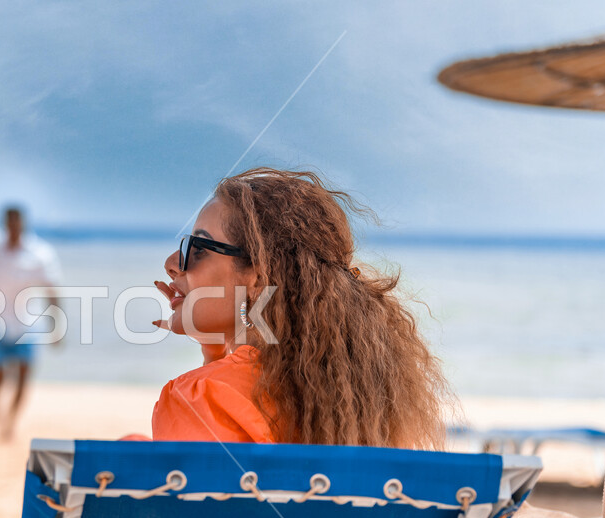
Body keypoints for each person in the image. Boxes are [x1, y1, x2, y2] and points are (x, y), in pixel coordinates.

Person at [151, 167, 449, 449]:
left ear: (258, 279)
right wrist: (217, 353)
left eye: (198, 248)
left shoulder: (199, 398)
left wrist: (213, 373)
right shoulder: (365, 401)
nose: (171, 264)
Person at [0, 206, 62, 440]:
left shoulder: (40, 252)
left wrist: (57, 326)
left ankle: (10, 420)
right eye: (9, 223)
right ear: (4, 224)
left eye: (16, 223)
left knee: (24, 375)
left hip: (28, 324)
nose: (13, 227)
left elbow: (52, 291)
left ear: (23, 224)